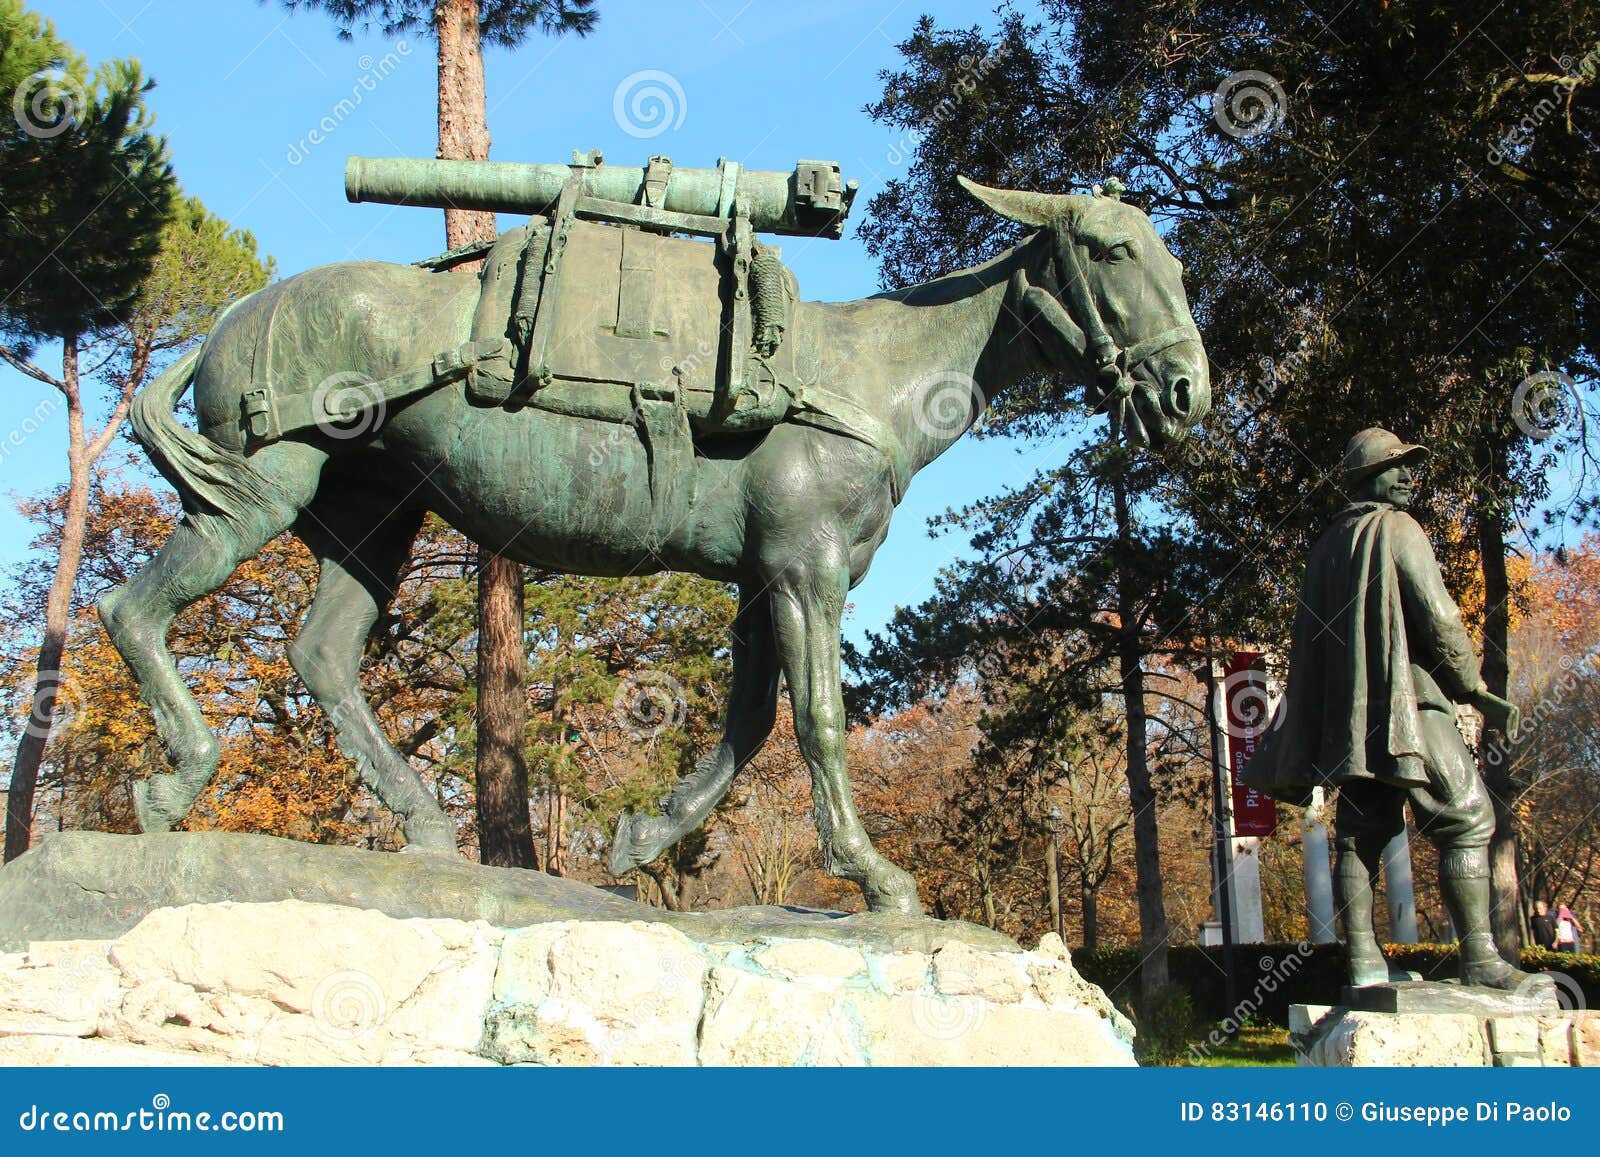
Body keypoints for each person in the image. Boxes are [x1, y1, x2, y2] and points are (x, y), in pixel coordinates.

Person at [1245, 428, 1533, 990]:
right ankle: (1480, 957)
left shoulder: (1326, 547)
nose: (1407, 476)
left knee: (1361, 831)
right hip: (1413, 703)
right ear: (1364, 477)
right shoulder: (1398, 528)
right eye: (1394, 466)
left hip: (1354, 719)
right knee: (1468, 817)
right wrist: (1474, 688)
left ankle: (1363, 962)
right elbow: (1440, 616)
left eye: (1408, 466)